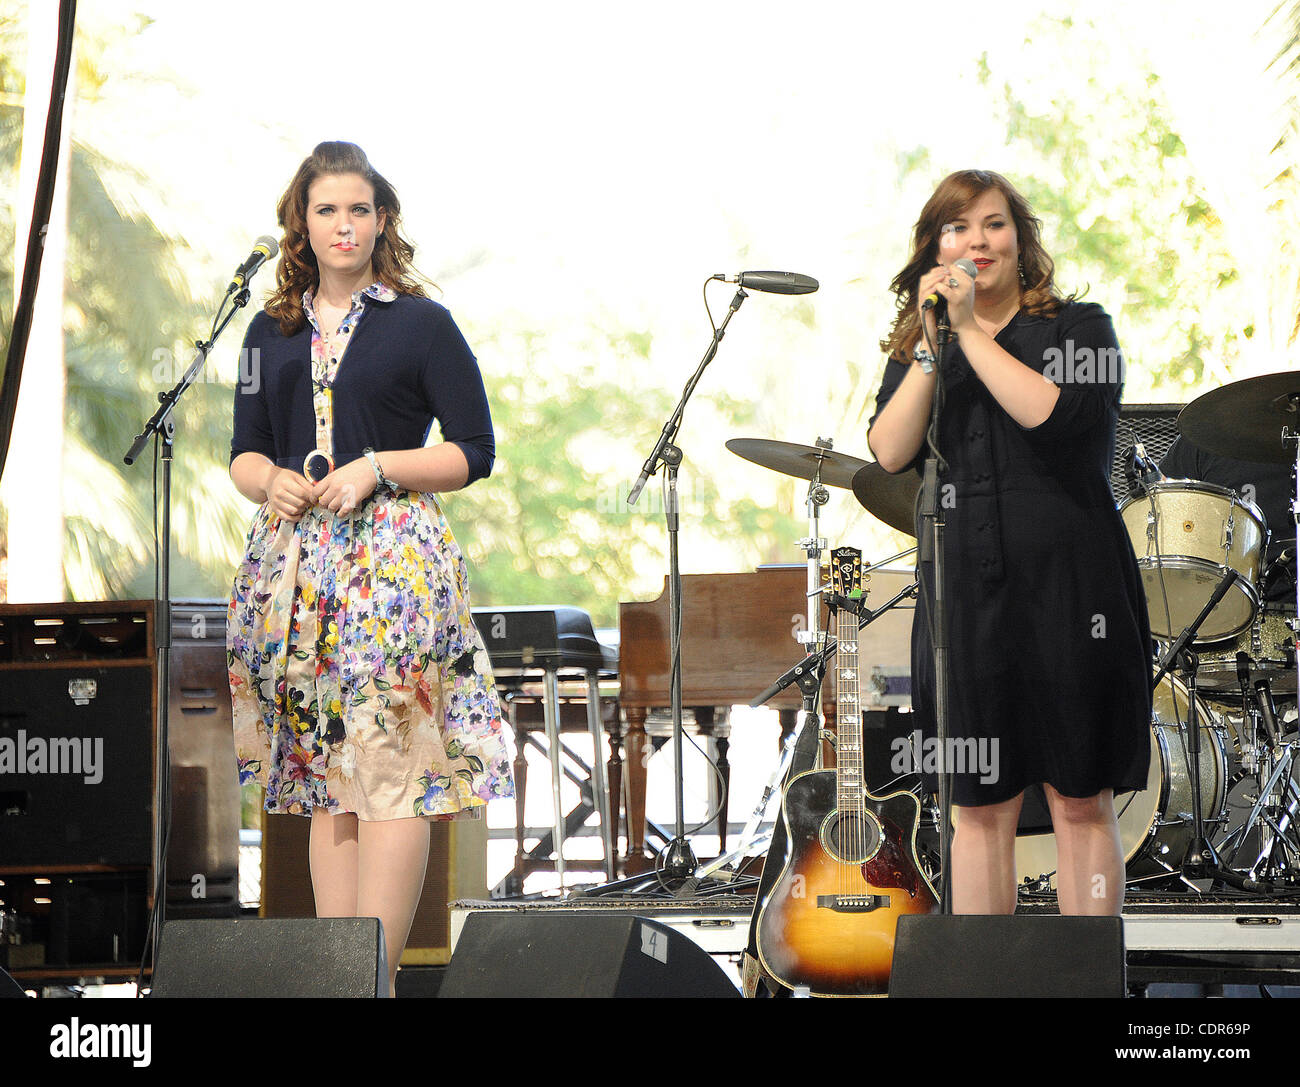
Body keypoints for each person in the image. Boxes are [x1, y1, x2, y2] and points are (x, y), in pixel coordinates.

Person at [226, 141, 513, 992]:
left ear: (380, 219)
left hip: (391, 570)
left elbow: (474, 451)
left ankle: (375, 982)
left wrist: (379, 465)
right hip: (296, 574)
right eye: (326, 210)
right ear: (301, 225)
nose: (343, 225)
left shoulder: (421, 323)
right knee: (324, 779)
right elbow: (242, 452)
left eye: (358, 209)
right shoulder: (264, 332)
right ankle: (337, 981)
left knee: (392, 772)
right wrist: (269, 481)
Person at [867, 169, 1152, 916]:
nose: (976, 242)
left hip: (1071, 591)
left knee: (1079, 796)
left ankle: (1088, 978)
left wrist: (967, 332)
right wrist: (933, 345)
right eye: (956, 229)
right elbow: (889, 449)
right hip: (967, 596)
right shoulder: (924, 342)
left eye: (992, 224)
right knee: (977, 806)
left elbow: (1055, 418)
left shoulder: (1079, 327)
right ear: (936, 247)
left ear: (1021, 239)